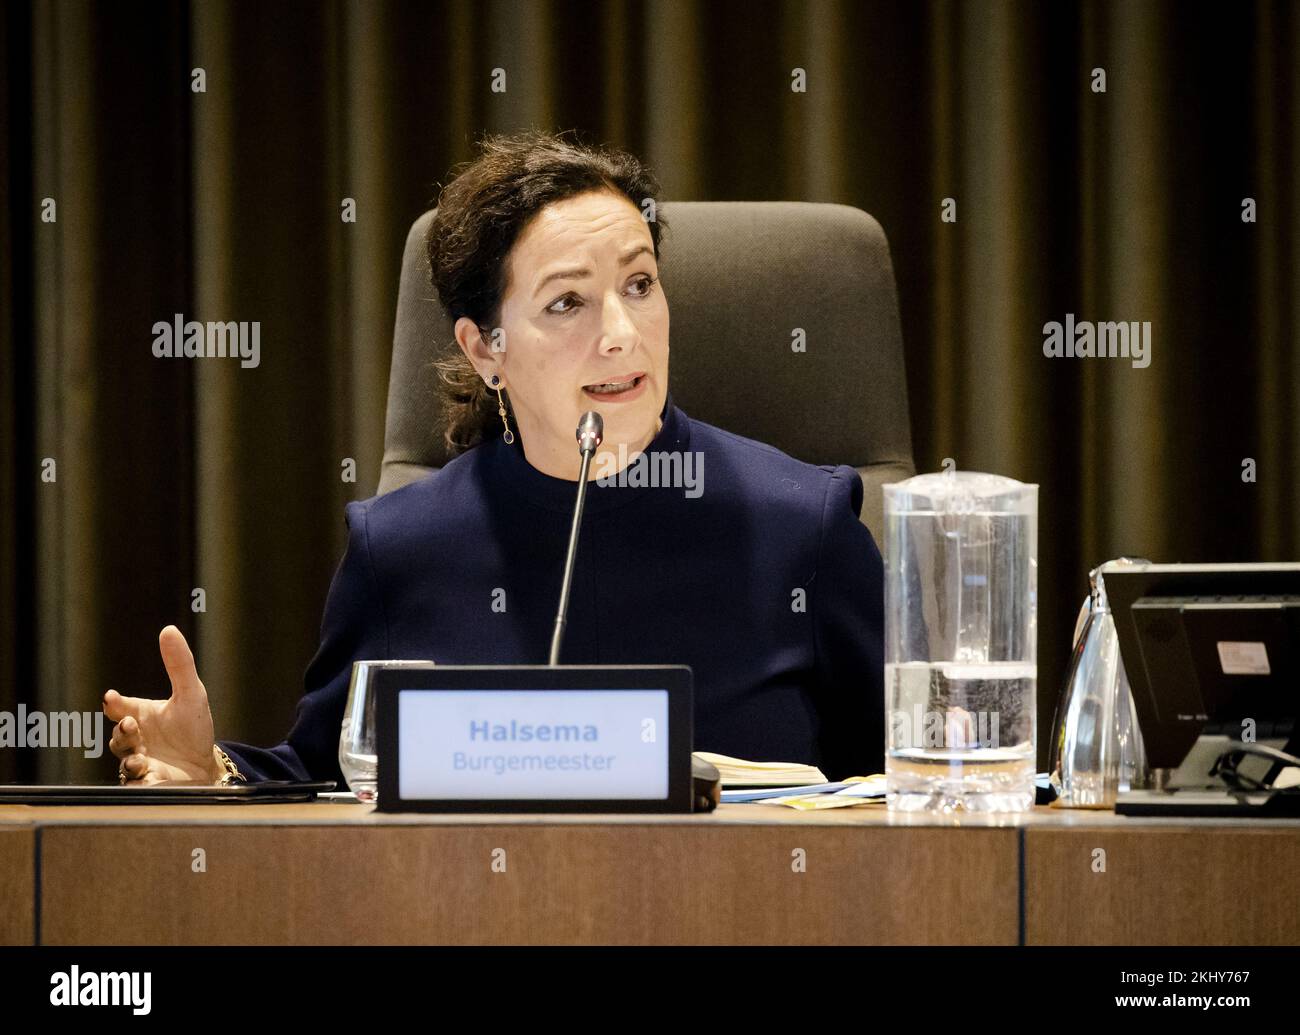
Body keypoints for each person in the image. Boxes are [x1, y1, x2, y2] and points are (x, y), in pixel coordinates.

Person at [104, 128, 885, 787]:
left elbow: (910, 785)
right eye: (567, 302)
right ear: (485, 350)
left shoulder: (801, 526)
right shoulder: (400, 549)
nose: (621, 331)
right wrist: (210, 771)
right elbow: (326, 783)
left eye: (640, 283)